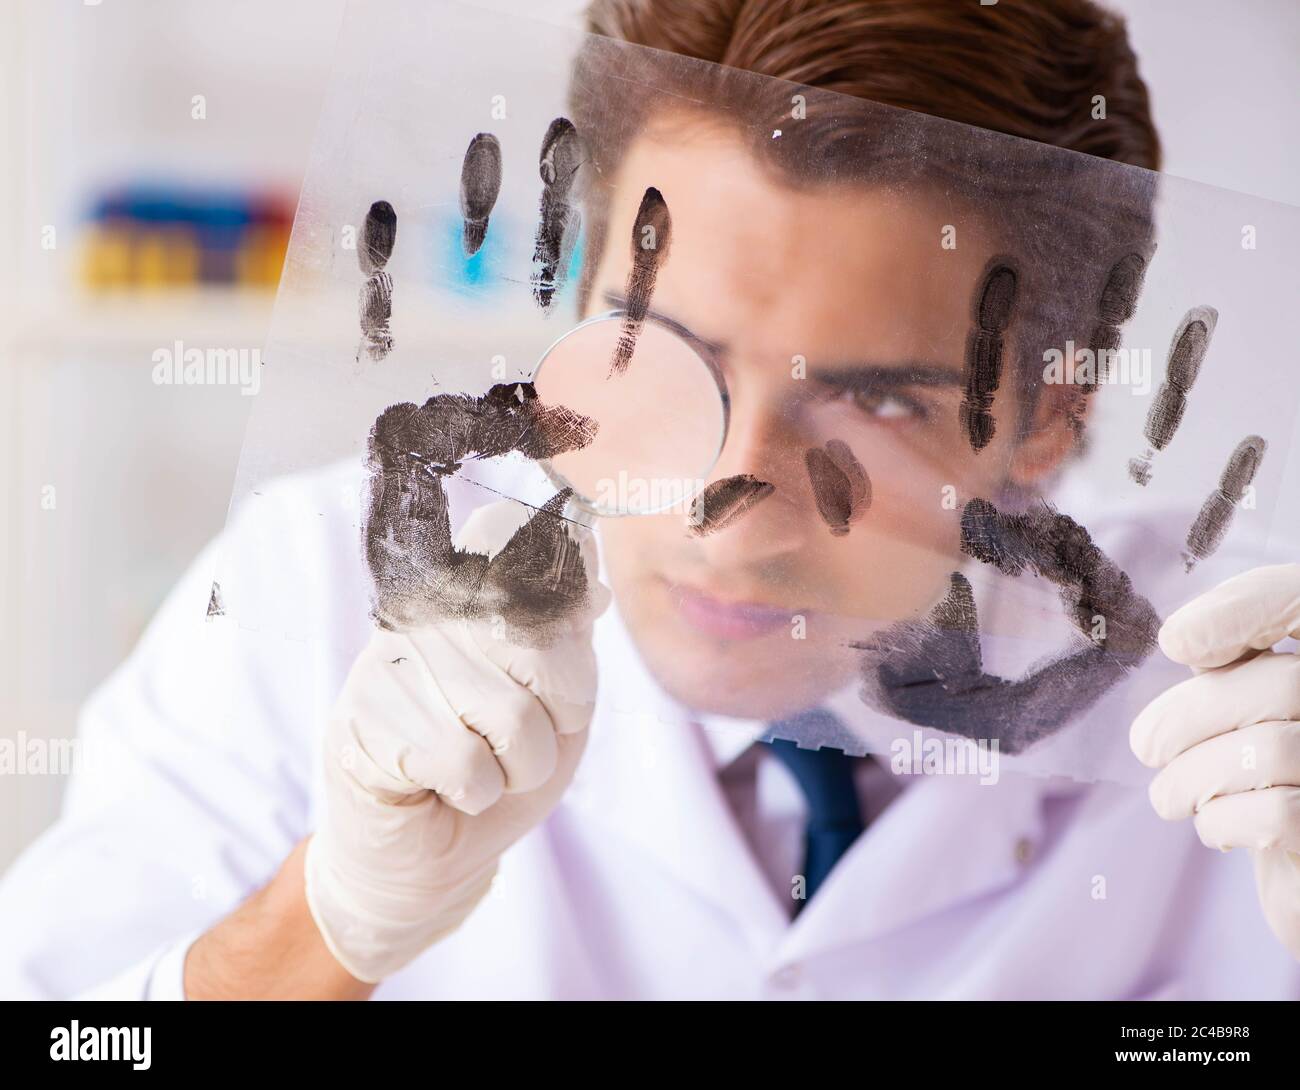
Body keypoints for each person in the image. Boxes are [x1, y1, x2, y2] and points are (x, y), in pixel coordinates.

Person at [1, 0, 1297, 1000]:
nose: (724, 505)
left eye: (876, 403)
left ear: (1050, 417)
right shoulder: (318, 584)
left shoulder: (1237, 698)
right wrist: (326, 921)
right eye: (657, 350)